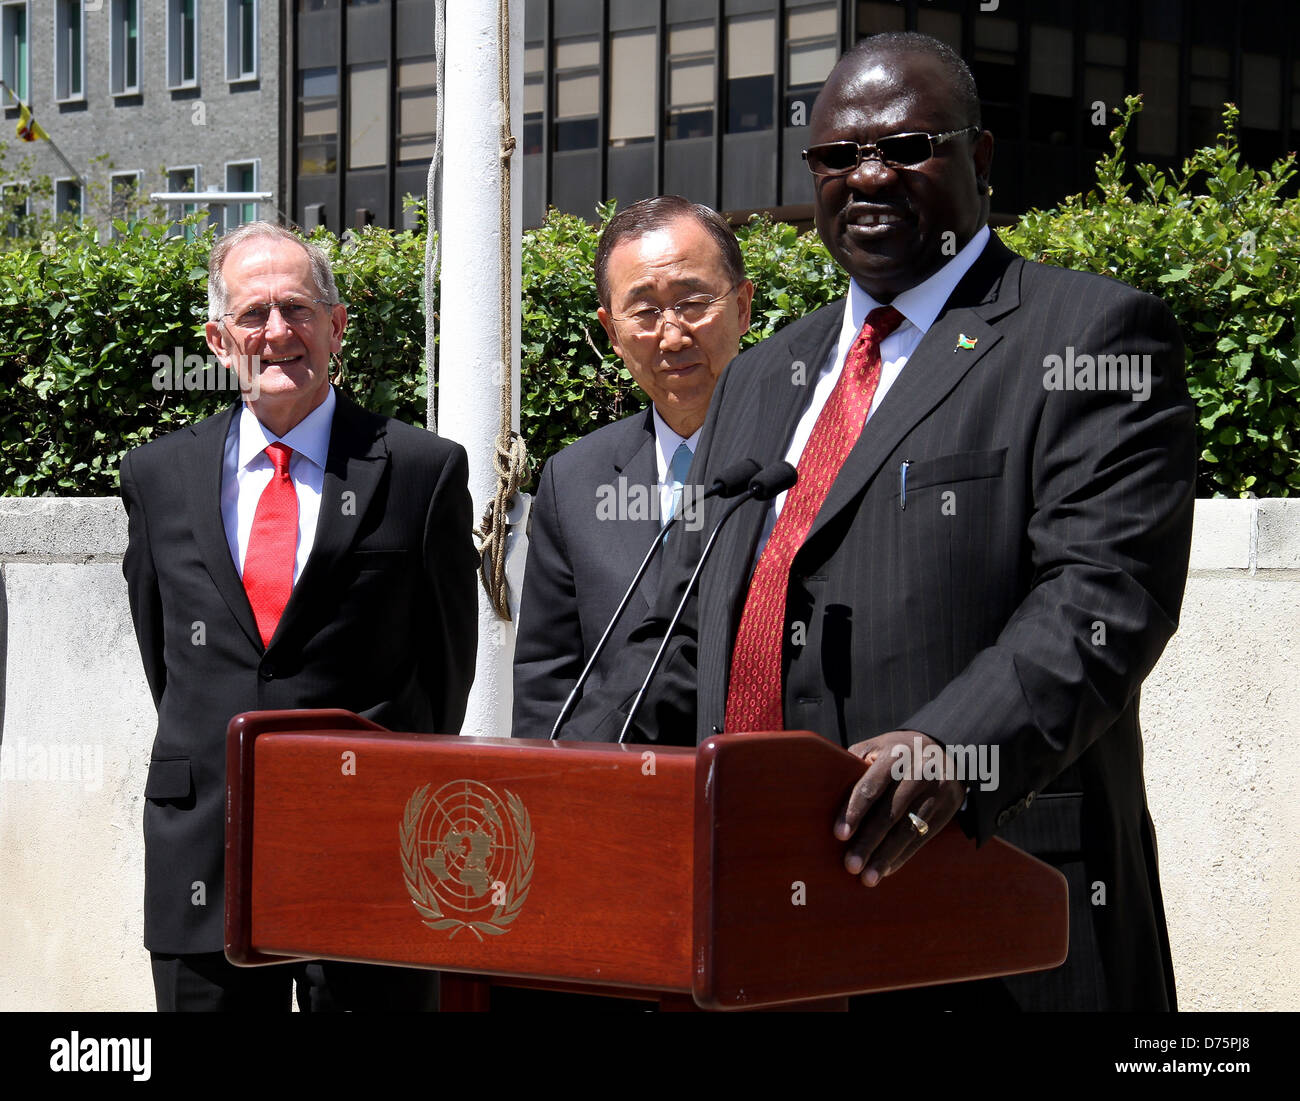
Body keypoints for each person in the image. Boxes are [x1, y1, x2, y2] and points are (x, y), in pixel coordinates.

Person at [562, 33, 1196, 1011]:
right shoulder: (768, 374)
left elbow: (1102, 598)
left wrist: (950, 746)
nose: (867, 176)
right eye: (835, 157)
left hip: (980, 904)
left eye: (906, 148)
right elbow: (688, 633)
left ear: (978, 159)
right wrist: (574, 796)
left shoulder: (1089, 337)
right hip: (762, 923)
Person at [120, 221, 478, 1011]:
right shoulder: (158, 474)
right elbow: (167, 657)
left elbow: (445, 669)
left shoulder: (423, 470)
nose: (277, 332)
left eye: (299, 309)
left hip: (370, 852)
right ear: (219, 340)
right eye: (253, 315)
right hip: (201, 855)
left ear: (336, 325)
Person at [512, 197, 753, 734]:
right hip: (621, 799)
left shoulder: (806, 454)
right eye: (644, 311)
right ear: (612, 332)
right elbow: (548, 678)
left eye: (693, 301)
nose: (672, 335)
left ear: (743, 305)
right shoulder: (574, 480)